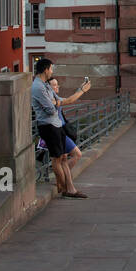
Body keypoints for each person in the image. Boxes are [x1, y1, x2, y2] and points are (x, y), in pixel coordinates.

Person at [31, 58, 91, 198]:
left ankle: (70, 189)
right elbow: (51, 110)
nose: (52, 71)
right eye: (51, 68)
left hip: (56, 125)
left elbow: (60, 101)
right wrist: (57, 103)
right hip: (49, 126)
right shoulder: (38, 87)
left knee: (63, 157)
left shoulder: (44, 85)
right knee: (57, 158)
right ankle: (64, 188)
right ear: (46, 69)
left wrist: (80, 90)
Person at [49, 77, 83, 170]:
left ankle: (62, 180)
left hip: (62, 131)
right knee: (77, 154)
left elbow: (69, 99)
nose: (57, 86)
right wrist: (82, 90)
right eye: (54, 85)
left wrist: (80, 89)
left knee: (62, 158)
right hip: (57, 131)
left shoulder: (56, 97)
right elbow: (70, 100)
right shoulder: (50, 100)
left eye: (57, 84)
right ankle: (63, 177)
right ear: (48, 87)